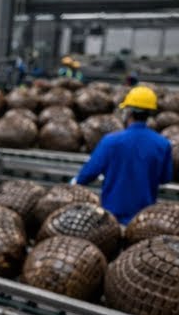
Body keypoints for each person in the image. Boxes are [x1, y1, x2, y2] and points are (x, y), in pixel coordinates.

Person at [72, 86, 172, 225]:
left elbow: (90, 172)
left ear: (128, 112)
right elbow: (165, 178)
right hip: (143, 221)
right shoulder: (162, 144)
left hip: (111, 219)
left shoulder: (111, 141)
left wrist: (75, 183)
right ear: (150, 113)